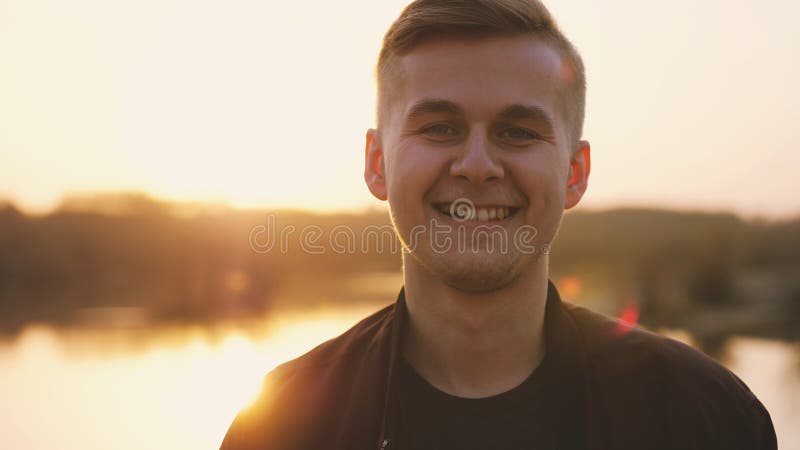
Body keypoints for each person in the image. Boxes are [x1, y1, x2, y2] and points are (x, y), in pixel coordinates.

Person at [220, 0, 777, 449]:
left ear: (574, 174)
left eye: (517, 132)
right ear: (377, 164)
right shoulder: (280, 427)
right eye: (440, 128)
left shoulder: (707, 420)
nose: (479, 166)